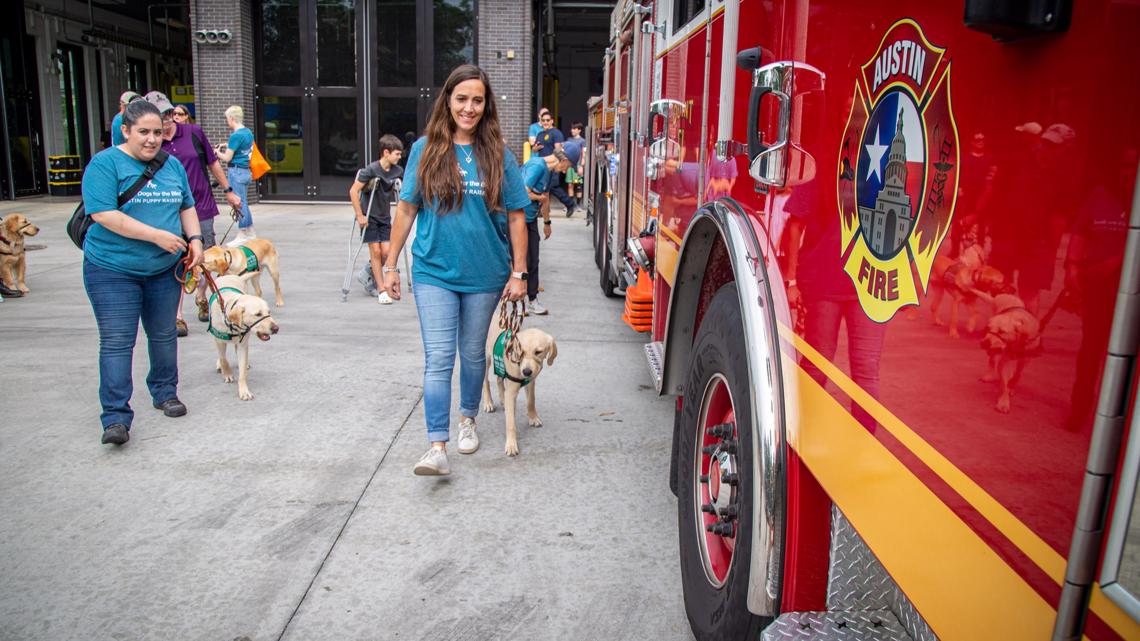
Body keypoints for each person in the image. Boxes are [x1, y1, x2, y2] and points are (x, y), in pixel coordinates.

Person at [381, 64, 530, 477]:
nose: (469, 107)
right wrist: (390, 265)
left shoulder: (498, 154)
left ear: (486, 105)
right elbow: (407, 208)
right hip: (433, 271)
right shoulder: (426, 150)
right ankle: (436, 446)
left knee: (471, 354)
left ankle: (468, 418)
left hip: (485, 273)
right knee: (439, 357)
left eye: (477, 100)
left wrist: (520, 273)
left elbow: (518, 216)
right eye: (461, 98)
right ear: (447, 100)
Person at [80, 99, 204, 446]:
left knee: (164, 334)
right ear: (125, 131)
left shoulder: (171, 165)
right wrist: (156, 236)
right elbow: (104, 214)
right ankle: (116, 417)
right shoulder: (105, 164)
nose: (152, 140)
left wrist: (194, 239)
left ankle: (165, 392)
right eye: (143, 132)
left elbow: (187, 205)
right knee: (118, 342)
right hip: (112, 268)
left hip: (163, 269)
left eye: (158, 133)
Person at [149, 91, 243, 336]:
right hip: (168, 212)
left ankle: (202, 297)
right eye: (162, 114)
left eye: (170, 112)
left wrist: (229, 191)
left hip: (200, 206)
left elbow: (212, 163)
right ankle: (177, 316)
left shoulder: (193, 133)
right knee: (177, 263)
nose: (168, 118)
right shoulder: (151, 142)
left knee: (205, 258)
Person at [518, 144, 577, 316]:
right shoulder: (537, 166)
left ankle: (531, 300)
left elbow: (546, 198)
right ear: (563, 160)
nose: (567, 171)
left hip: (531, 220)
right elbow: (523, 191)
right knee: (525, 261)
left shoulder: (549, 170)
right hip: (519, 219)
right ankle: (524, 302)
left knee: (533, 261)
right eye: (569, 166)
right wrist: (539, 197)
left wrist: (547, 222)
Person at [350, 134, 404, 304]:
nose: (400, 157)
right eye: (397, 153)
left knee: (387, 252)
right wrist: (360, 215)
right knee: (376, 251)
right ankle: (381, 289)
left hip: (384, 216)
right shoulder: (371, 170)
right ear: (386, 153)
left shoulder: (398, 171)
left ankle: (368, 271)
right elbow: (353, 191)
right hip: (370, 216)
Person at [214, 106, 256, 245]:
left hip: (236, 171)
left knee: (238, 203)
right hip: (246, 171)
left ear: (231, 118)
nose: (227, 122)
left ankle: (243, 232)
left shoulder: (235, 135)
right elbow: (242, 147)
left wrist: (216, 153)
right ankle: (250, 231)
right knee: (243, 202)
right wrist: (227, 144)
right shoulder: (248, 132)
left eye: (227, 119)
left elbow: (227, 158)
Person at [534, 113, 578, 216]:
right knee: (542, 187)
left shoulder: (556, 133)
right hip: (543, 165)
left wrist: (561, 165)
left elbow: (560, 150)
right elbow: (534, 149)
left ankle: (570, 203)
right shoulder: (540, 134)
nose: (545, 122)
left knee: (552, 187)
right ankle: (541, 211)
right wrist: (536, 148)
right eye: (543, 120)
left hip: (554, 165)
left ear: (552, 121)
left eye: (547, 120)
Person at [565, 122, 585, 206]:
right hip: (569, 165)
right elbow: (565, 153)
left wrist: (581, 166)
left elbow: (584, 154)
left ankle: (578, 205)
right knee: (570, 184)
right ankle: (570, 204)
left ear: (579, 130)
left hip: (578, 165)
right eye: (571, 128)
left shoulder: (583, 141)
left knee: (579, 185)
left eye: (574, 128)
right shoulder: (569, 140)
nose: (572, 130)